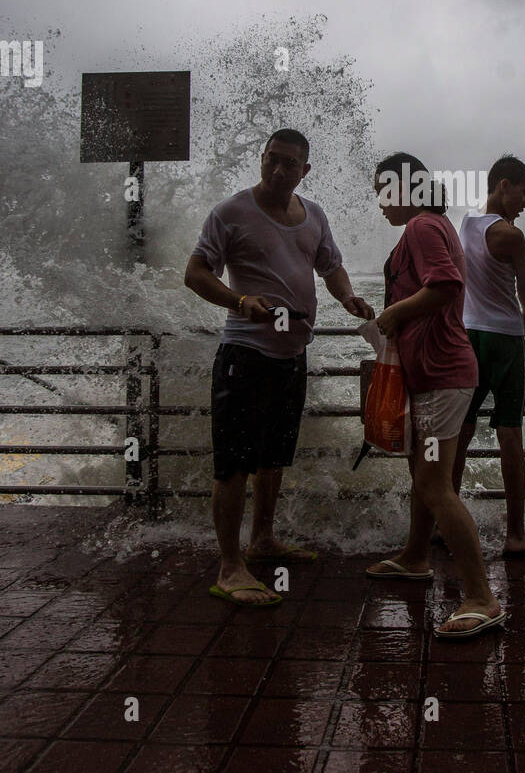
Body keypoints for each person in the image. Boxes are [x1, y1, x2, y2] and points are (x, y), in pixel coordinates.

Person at [184, 128, 374, 607]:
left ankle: (263, 539)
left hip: (292, 355)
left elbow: (331, 267)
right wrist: (240, 299)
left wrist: (348, 297)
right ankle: (230, 568)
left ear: (305, 171)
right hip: (244, 356)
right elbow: (196, 273)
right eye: (272, 159)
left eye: (291, 163)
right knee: (233, 465)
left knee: (272, 458)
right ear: (261, 158)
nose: (279, 169)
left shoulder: (314, 216)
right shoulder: (230, 212)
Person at [365, 153, 504, 638]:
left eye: (383, 190)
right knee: (421, 476)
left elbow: (446, 285)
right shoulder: (430, 224)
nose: (378, 201)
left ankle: (482, 597)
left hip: (443, 372)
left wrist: (394, 315)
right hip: (430, 371)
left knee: (435, 484)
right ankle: (416, 556)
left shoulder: (424, 226)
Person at [451, 155, 525, 556]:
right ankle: (515, 534)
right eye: (523, 192)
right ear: (503, 185)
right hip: (505, 338)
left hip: (469, 335)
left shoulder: (466, 223)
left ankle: (446, 522)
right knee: (509, 433)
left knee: (461, 431)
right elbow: (524, 285)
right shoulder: (511, 236)